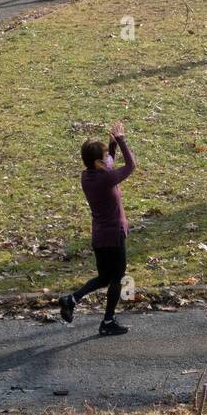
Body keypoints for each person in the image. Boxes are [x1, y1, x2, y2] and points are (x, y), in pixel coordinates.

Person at [59, 121, 136, 336]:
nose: (109, 158)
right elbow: (131, 166)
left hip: (100, 236)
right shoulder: (107, 179)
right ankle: (108, 321)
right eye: (105, 156)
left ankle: (71, 299)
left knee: (103, 277)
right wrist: (121, 141)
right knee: (117, 278)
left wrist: (110, 147)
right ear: (97, 162)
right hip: (114, 236)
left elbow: (108, 167)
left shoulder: (88, 176)